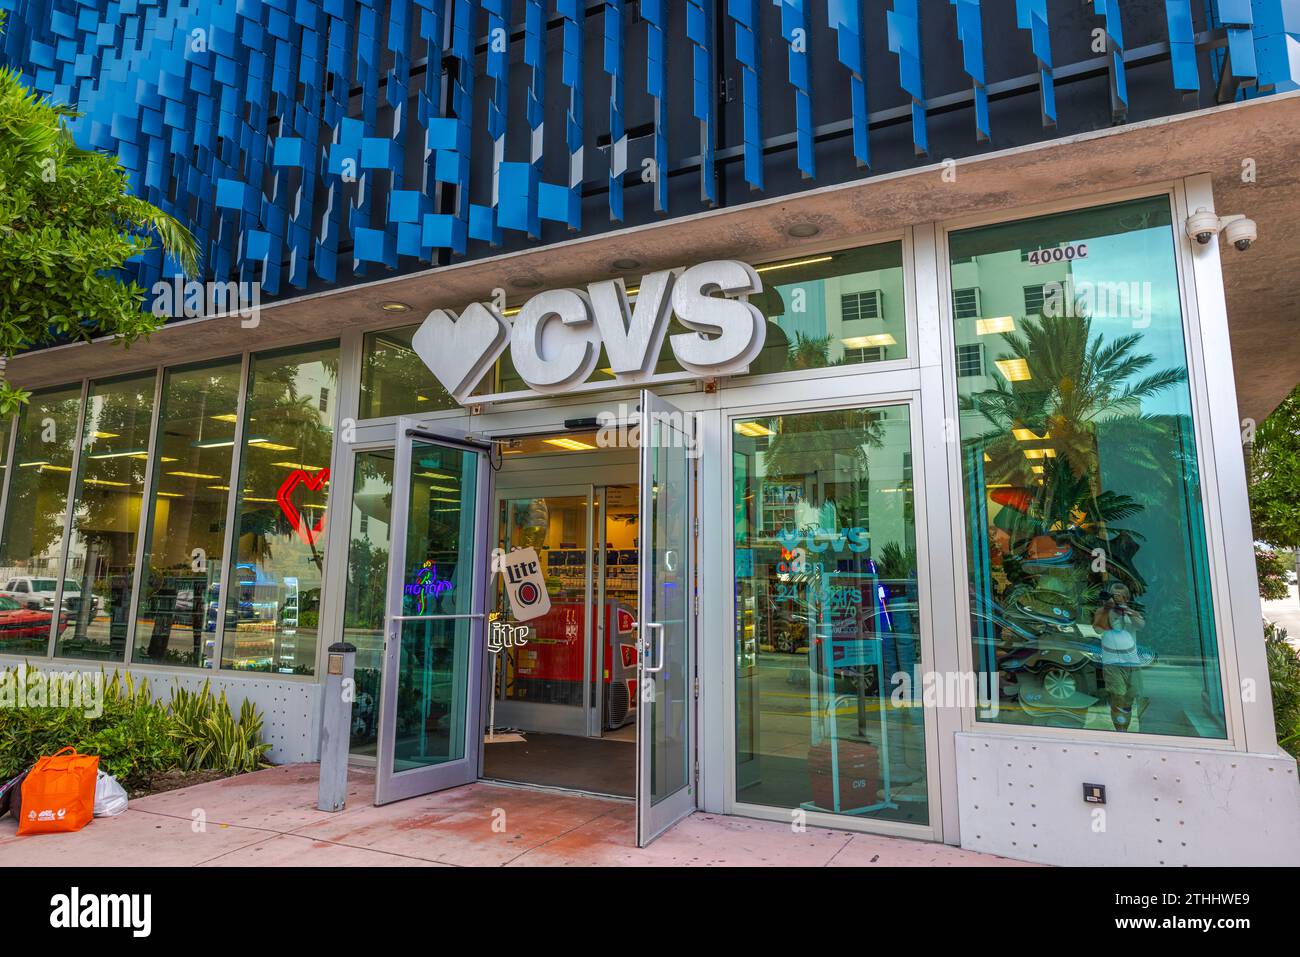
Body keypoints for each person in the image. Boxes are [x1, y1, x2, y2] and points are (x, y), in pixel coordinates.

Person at [1092, 583, 1148, 731]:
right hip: (1112, 663)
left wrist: (1127, 610)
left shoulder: (1131, 611)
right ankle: (1120, 731)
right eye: (1114, 595)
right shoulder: (1103, 611)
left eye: (1119, 596)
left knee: (1129, 698)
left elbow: (1141, 625)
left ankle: (1125, 730)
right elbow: (1097, 629)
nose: (1116, 598)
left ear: (1126, 597)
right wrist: (1107, 608)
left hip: (1133, 663)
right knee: (1118, 697)